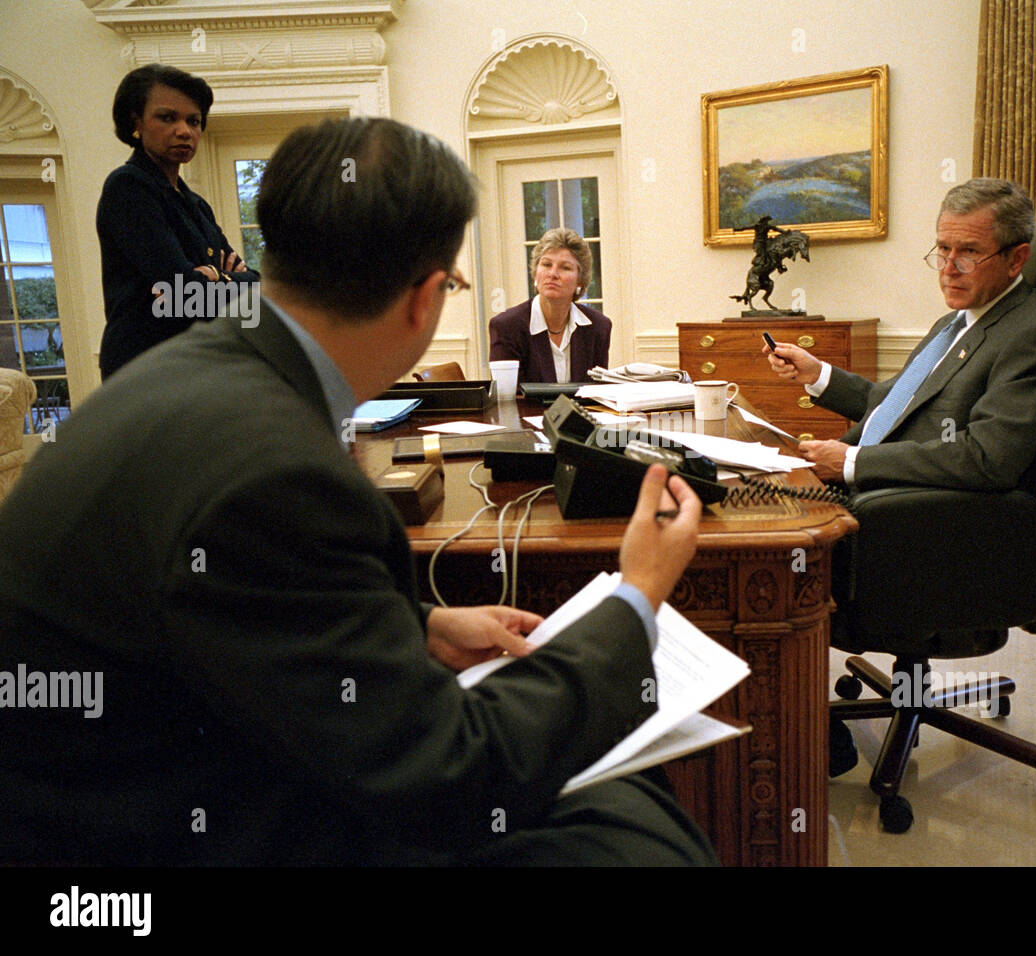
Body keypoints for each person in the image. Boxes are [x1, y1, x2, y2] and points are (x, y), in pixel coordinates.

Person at [0, 117, 714, 866]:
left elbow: (244, 601)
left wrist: (417, 625)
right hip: (140, 841)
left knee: (615, 779)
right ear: (425, 298)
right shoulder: (278, 473)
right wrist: (637, 595)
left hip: (145, 766)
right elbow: (455, 776)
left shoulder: (200, 367)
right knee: (637, 834)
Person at [764, 178, 1036, 775]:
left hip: (935, 535)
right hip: (891, 501)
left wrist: (851, 462)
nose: (948, 267)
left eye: (967, 252)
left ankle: (803, 729)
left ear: (1017, 257)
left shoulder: (1035, 337)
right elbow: (894, 403)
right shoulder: (955, 323)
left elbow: (988, 458)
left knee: (776, 565)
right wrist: (818, 374)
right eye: (941, 249)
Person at [96, 64, 258, 380]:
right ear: (135, 122)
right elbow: (185, 296)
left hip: (198, 364)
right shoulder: (128, 186)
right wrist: (221, 277)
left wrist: (214, 279)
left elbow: (254, 294)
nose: (184, 130)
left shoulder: (196, 205)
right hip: (146, 369)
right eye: (168, 117)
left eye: (194, 121)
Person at [488, 227, 611, 383]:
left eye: (565, 267)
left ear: (580, 281)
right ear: (535, 273)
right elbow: (507, 399)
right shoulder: (506, 327)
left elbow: (598, 394)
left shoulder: (599, 327)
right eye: (546, 264)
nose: (552, 274)